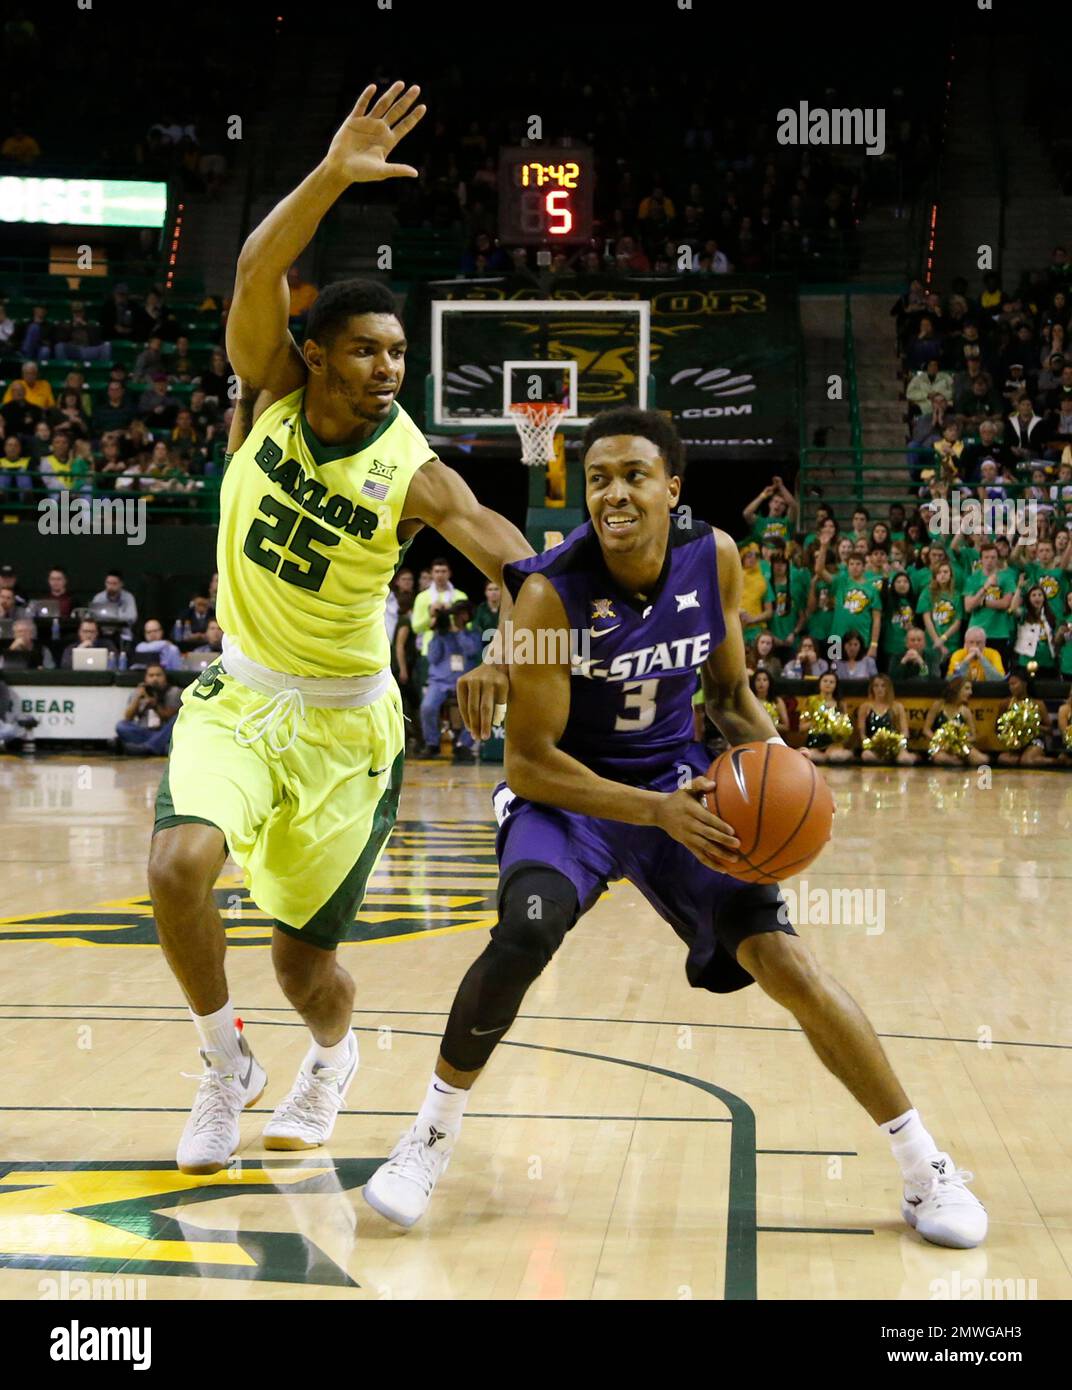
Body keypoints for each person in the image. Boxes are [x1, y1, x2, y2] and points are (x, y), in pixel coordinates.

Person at [363, 407, 986, 1248]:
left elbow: (728, 699)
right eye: (598, 480)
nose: (613, 494)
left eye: (633, 477)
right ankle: (428, 1138)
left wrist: (781, 773)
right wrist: (656, 811)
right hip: (572, 799)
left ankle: (924, 1165)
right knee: (523, 930)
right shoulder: (549, 596)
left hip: (676, 785)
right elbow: (530, 765)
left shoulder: (715, 556)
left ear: (673, 489)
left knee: (786, 958)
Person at [145, 82, 534, 1177]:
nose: (386, 371)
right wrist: (329, 174)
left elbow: (504, 548)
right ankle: (226, 1069)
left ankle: (330, 1056)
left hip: (343, 733)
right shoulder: (263, 388)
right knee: (180, 864)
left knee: (301, 964)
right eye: (366, 351)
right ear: (314, 353)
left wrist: (518, 643)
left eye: (398, 356)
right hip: (239, 694)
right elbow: (257, 271)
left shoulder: (406, 465)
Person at [417, 598, 483, 761]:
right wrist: (436, 632)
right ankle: (432, 743)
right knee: (427, 707)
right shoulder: (441, 634)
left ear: (467, 616)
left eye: (459, 615)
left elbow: (471, 650)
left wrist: (459, 631)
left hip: (465, 681)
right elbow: (432, 657)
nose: (455, 618)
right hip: (439, 681)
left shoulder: (474, 633)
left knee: (474, 707)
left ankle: (463, 745)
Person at [922, 677, 988, 766]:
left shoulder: (965, 711)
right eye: (967, 689)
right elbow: (926, 730)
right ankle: (956, 762)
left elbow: (973, 736)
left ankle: (958, 760)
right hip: (941, 746)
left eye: (971, 689)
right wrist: (941, 741)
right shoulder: (938, 705)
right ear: (956, 689)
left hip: (960, 747)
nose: (970, 692)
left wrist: (958, 742)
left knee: (982, 760)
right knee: (940, 758)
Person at [116, 664, 181, 755]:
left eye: (158, 675)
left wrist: (155, 706)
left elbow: (169, 717)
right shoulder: (138, 692)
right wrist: (138, 698)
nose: (155, 679)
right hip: (145, 731)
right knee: (121, 726)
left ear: (165, 677)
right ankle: (156, 746)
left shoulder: (174, 692)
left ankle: (147, 748)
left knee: (177, 719)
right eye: (151, 675)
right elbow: (128, 717)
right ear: (145, 678)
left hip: (164, 731)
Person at [994, 670, 1051, 768]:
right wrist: (1010, 730)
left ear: (1024, 684)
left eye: (1014, 684)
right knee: (1003, 758)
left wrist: (1031, 726)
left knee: (1027, 761)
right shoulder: (1005, 703)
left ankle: (1056, 761)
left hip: (1035, 742)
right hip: (1015, 745)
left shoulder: (1038, 703)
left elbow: (1050, 730)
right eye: (1010, 685)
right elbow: (997, 728)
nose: (1011, 687)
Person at [856, 674, 916, 765]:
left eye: (883, 686)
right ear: (872, 688)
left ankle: (913, 756)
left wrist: (896, 743)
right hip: (874, 747)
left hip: (894, 746)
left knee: (905, 760)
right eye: (876, 686)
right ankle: (885, 760)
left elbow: (905, 732)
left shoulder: (897, 706)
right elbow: (862, 734)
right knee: (866, 755)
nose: (879, 689)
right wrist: (870, 744)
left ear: (888, 688)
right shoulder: (865, 707)